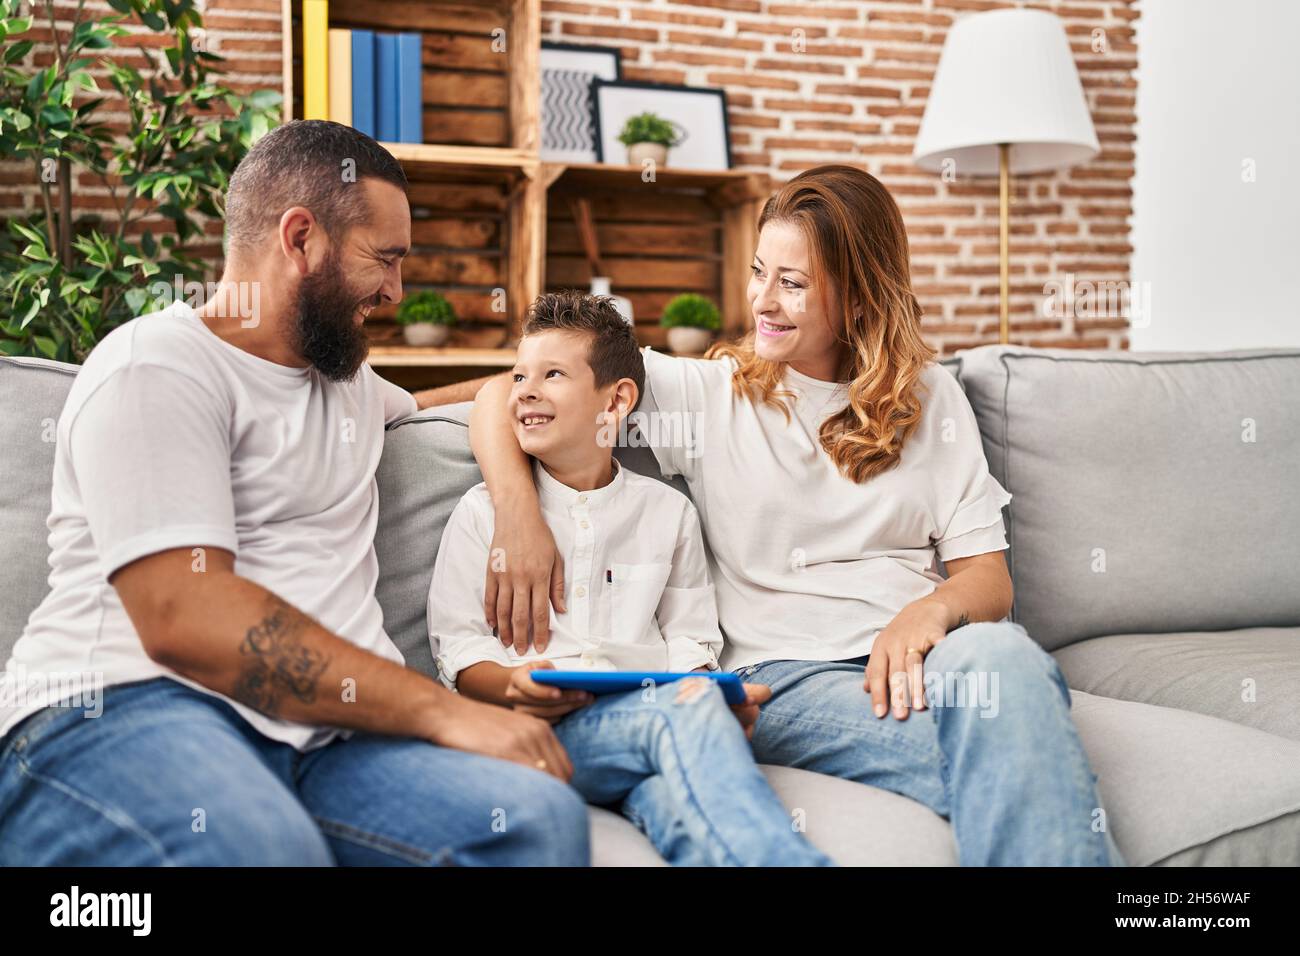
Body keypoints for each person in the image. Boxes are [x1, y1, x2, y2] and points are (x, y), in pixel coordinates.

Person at [466, 165, 1127, 866]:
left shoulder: (934, 399)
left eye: (794, 283)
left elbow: (989, 582)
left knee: (1007, 656)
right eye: (760, 272)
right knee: (1021, 749)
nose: (763, 301)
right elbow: (501, 393)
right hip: (792, 677)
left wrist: (924, 615)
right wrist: (517, 515)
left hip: (929, 655)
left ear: (859, 292)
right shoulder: (709, 396)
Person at [0, 120, 588, 867]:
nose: (396, 291)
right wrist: (443, 713)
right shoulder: (155, 368)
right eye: (386, 259)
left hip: (320, 737)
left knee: (534, 820)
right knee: (261, 850)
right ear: (302, 238)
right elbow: (187, 616)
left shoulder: (345, 384)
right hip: (123, 708)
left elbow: (495, 394)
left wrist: (516, 508)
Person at [429, 292, 833, 866]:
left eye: (553, 375)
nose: (525, 389)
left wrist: (707, 692)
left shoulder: (669, 514)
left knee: (680, 801)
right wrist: (514, 684)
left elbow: (692, 640)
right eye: (520, 374)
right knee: (687, 712)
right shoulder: (482, 514)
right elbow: (458, 645)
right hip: (536, 735)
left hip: (644, 728)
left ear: (616, 400)